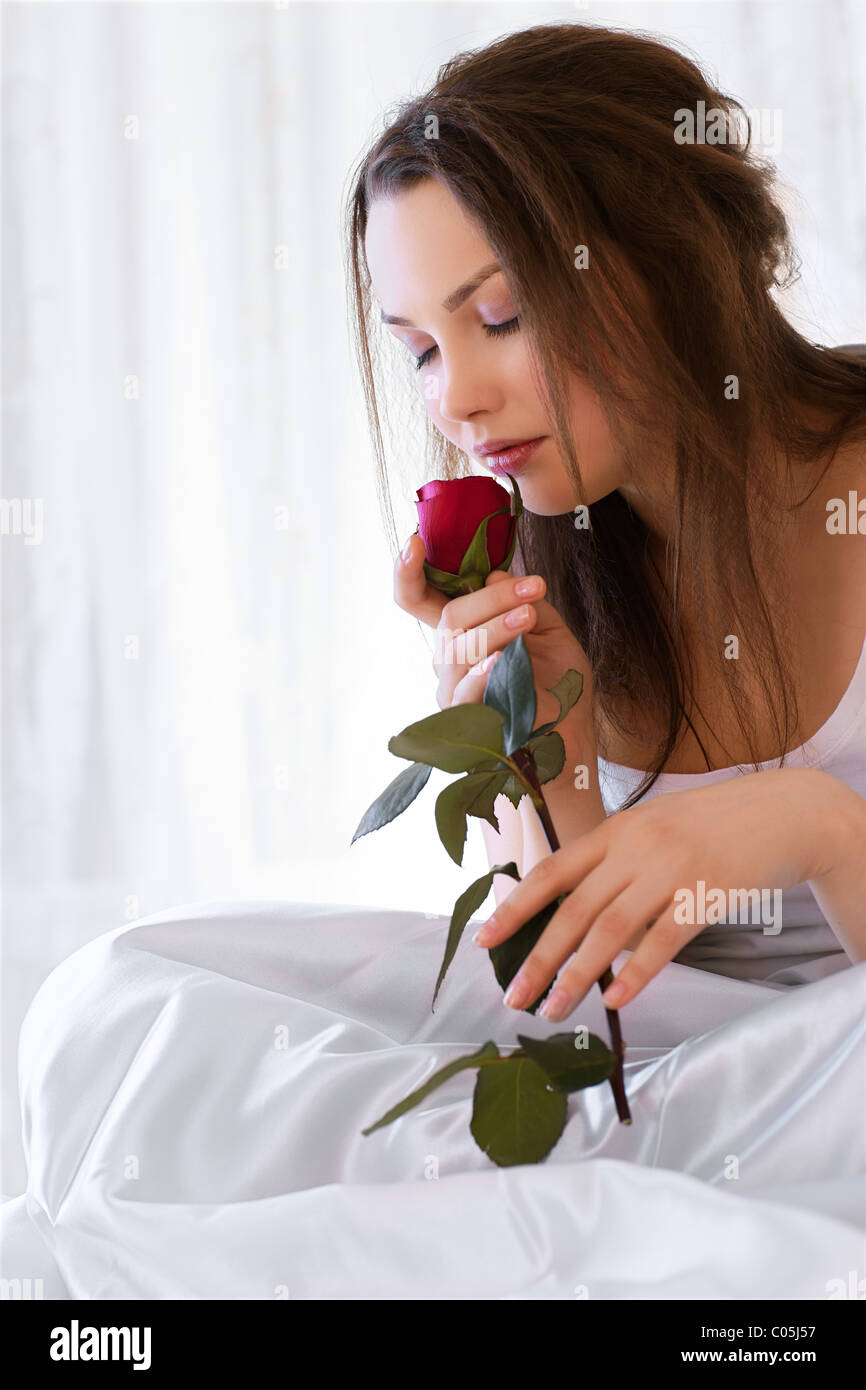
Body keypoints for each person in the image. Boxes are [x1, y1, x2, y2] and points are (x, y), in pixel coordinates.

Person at [351, 23, 866, 1010]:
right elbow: (577, 1029)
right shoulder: (551, 591)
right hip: (690, 1115)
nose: (453, 399)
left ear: (678, 265)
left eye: (501, 316)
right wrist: (544, 753)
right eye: (419, 348)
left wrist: (822, 827)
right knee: (146, 990)